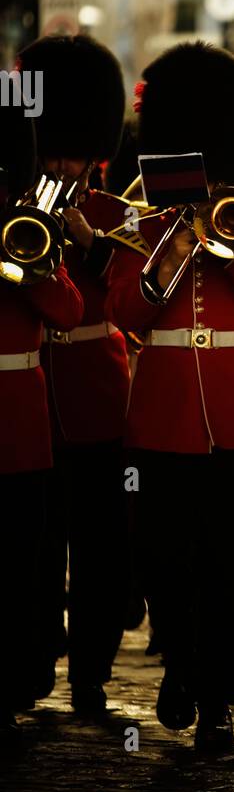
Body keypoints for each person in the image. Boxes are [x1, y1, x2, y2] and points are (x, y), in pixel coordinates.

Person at [105, 42, 234, 753]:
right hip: (162, 416)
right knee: (164, 558)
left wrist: (230, 238)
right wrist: (175, 246)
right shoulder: (141, 227)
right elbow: (129, 311)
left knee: (230, 563)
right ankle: (179, 665)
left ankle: (216, 697)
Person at [17, 34, 130, 716]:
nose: (63, 161)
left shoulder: (114, 215)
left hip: (95, 397)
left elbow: (133, 298)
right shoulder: (14, 212)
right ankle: (30, 660)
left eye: (74, 150)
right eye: (53, 147)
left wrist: (87, 244)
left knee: (101, 548)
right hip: (28, 403)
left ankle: (91, 670)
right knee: (32, 546)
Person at [0, 96, 82, 748]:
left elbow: (67, 308)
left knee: (23, 558)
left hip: (22, 415)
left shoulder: (29, 226)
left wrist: (31, 267)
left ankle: (17, 675)